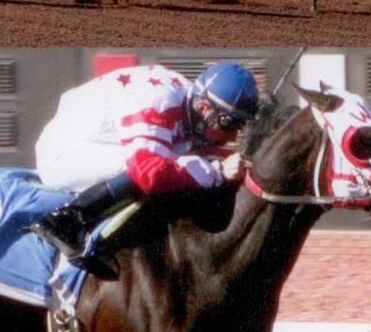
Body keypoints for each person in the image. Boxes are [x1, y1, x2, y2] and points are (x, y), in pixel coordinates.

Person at [30, 62, 261, 276]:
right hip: (63, 153)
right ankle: (66, 220)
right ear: (204, 107)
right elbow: (149, 173)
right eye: (229, 124)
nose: (232, 135)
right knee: (155, 166)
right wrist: (217, 172)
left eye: (240, 126)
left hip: (95, 140)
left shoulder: (192, 106)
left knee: (183, 160)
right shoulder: (160, 102)